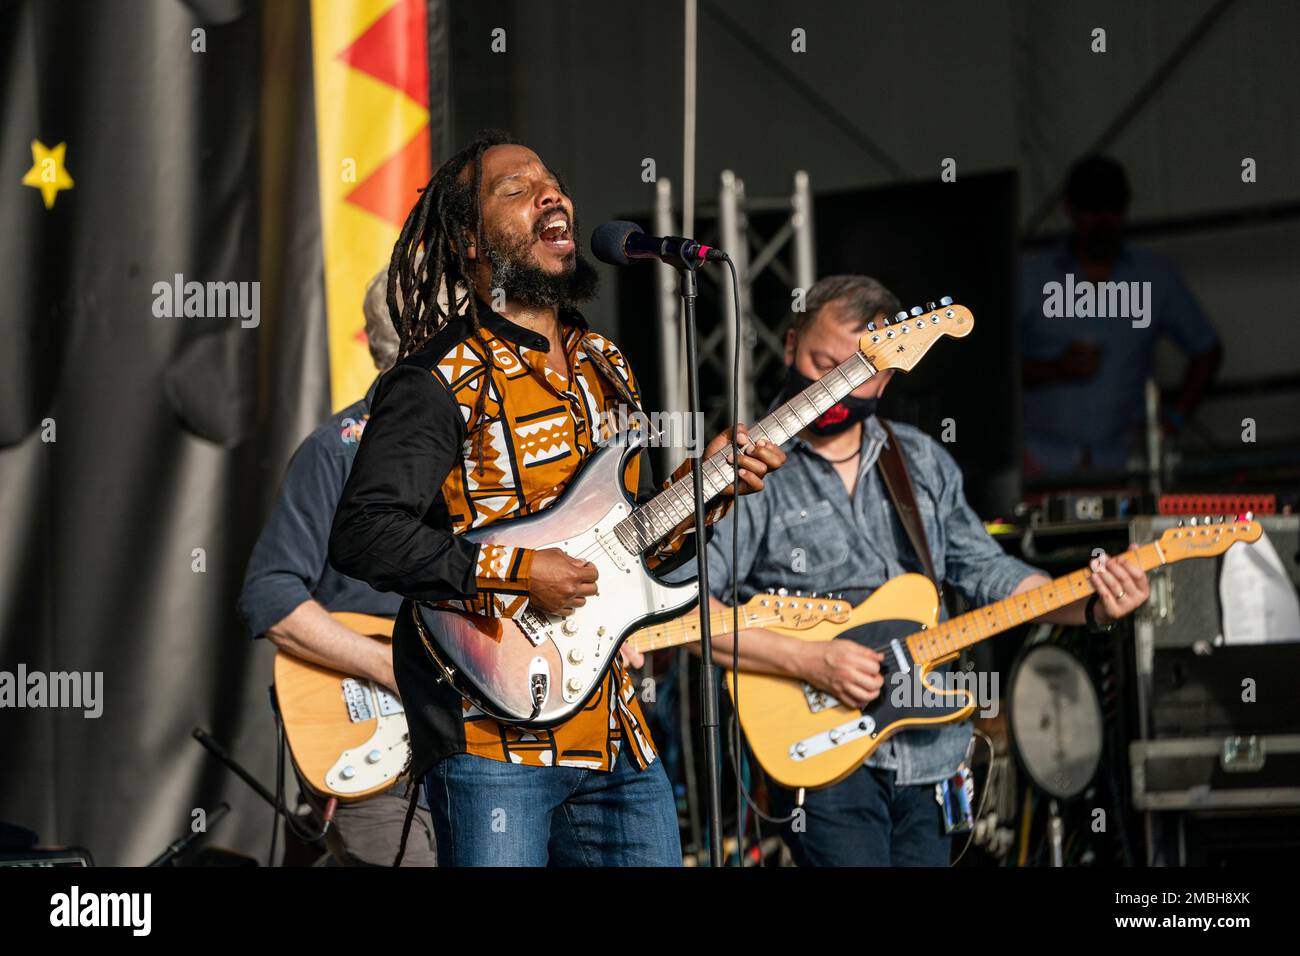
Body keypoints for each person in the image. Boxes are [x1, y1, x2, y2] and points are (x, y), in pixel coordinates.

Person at [327, 130, 785, 867]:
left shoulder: (605, 364)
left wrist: (703, 496)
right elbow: (364, 533)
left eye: (554, 182)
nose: (552, 194)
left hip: (614, 729)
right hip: (491, 735)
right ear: (470, 244)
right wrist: (514, 571)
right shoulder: (436, 379)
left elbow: (627, 546)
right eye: (517, 189)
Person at [695, 274, 1151, 866]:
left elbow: (993, 576)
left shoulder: (924, 462)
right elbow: (689, 611)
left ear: (887, 374)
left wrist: (1089, 602)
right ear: (788, 347)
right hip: (820, 756)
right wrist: (811, 659)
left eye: (857, 372)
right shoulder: (750, 471)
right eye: (821, 362)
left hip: (930, 757)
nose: (835, 388)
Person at [237, 269, 437, 866]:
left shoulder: (485, 453)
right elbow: (269, 595)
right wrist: (388, 666)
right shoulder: (337, 451)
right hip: (375, 748)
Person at [1021, 155, 1223, 474]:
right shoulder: (1030, 277)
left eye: (1111, 208)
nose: (1102, 220)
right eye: (1091, 208)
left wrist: (1173, 422)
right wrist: (1054, 368)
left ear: (1126, 209)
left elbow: (1207, 349)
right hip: (1039, 463)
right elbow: (991, 370)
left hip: (1124, 465)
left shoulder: (1156, 276)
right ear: (1070, 210)